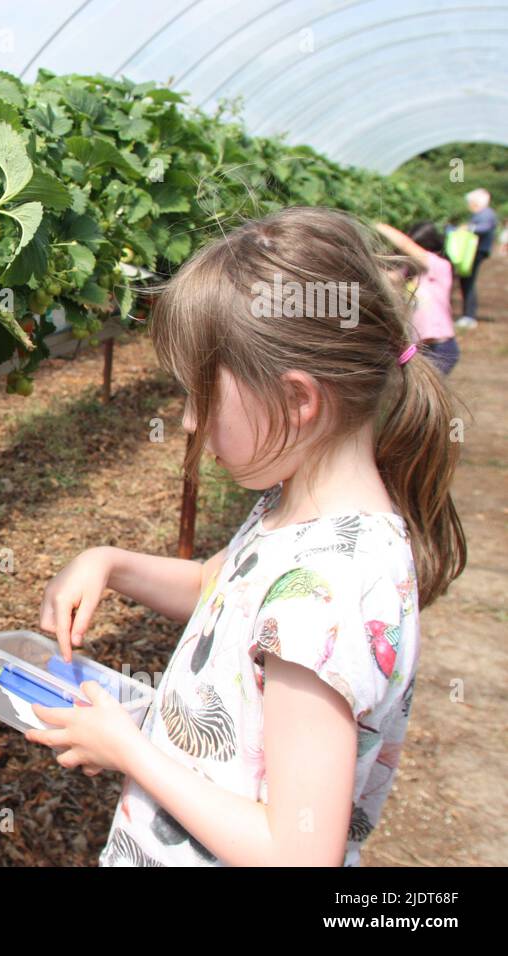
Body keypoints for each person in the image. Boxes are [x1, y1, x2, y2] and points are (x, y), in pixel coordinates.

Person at [31, 207, 466, 867]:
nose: (186, 422)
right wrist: (109, 563)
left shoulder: (325, 601)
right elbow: (224, 590)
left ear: (298, 401)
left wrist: (129, 750)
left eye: (200, 397)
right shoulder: (298, 515)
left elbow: (296, 854)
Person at [374, 220, 459, 375]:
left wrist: (375, 224)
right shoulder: (410, 272)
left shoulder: (439, 267)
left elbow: (406, 245)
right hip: (418, 348)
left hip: (440, 347)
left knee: (423, 395)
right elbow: (383, 276)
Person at [456, 188, 497, 326]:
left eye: (470, 203)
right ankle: (468, 314)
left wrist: (468, 228)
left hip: (476, 252)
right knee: (466, 281)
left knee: (468, 282)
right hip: (473, 252)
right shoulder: (482, 214)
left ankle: (469, 316)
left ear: (476, 203)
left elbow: (484, 228)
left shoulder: (485, 214)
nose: (469, 206)